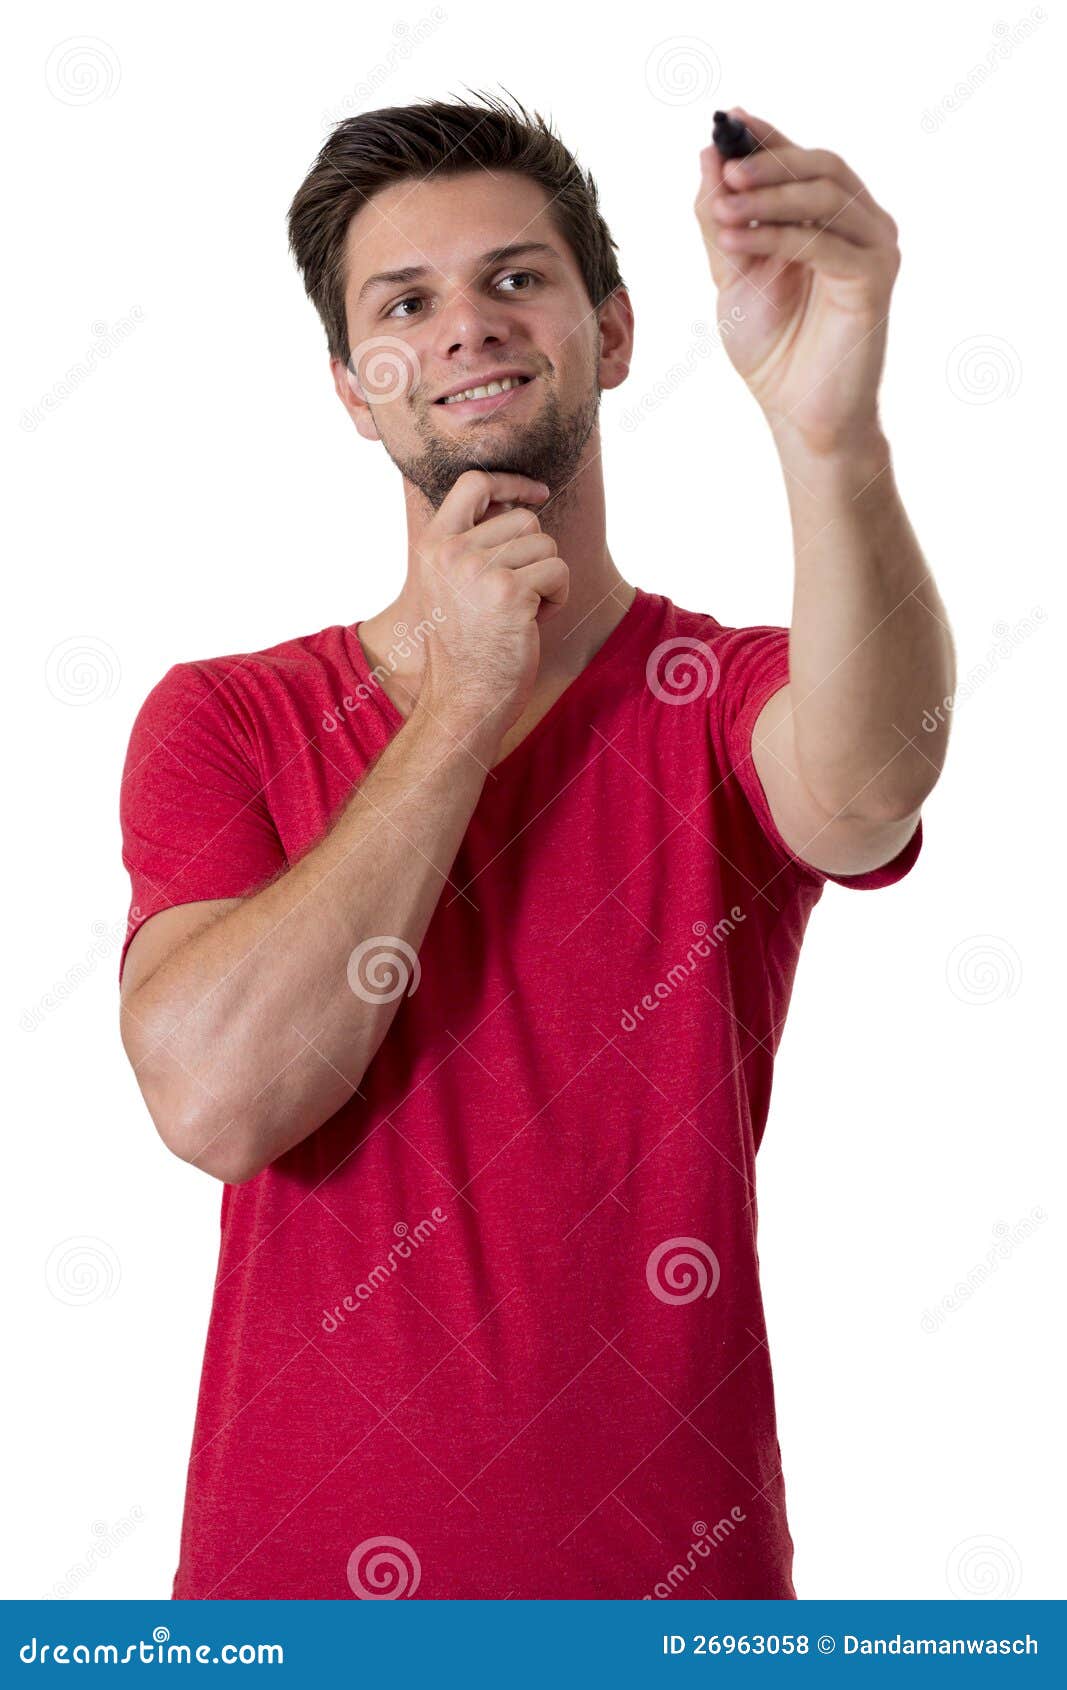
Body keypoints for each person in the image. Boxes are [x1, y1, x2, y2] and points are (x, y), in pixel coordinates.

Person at [117, 91, 954, 1600]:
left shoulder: (724, 698)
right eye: (408, 302)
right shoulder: (225, 718)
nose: (469, 327)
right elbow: (215, 1097)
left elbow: (869, 787)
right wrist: (461, 704)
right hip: (294, 1615)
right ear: (354, 390)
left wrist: (832, 436)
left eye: (517, 279)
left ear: (614, 334)